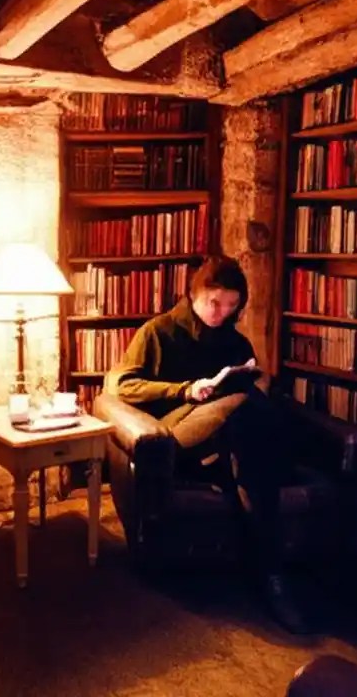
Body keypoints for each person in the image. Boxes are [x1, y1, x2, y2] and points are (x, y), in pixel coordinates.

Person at [108, 256, 312, 634]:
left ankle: (266, 565)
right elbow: (121, 386)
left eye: (232, 305)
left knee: (248, 413)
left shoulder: (235, 341)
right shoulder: (159, 332)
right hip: (178, 434)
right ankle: (271, 575)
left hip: (229, 436)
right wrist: (186, 389)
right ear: (193, 293)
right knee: (249, 412)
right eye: (214, 302)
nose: (222, 313)